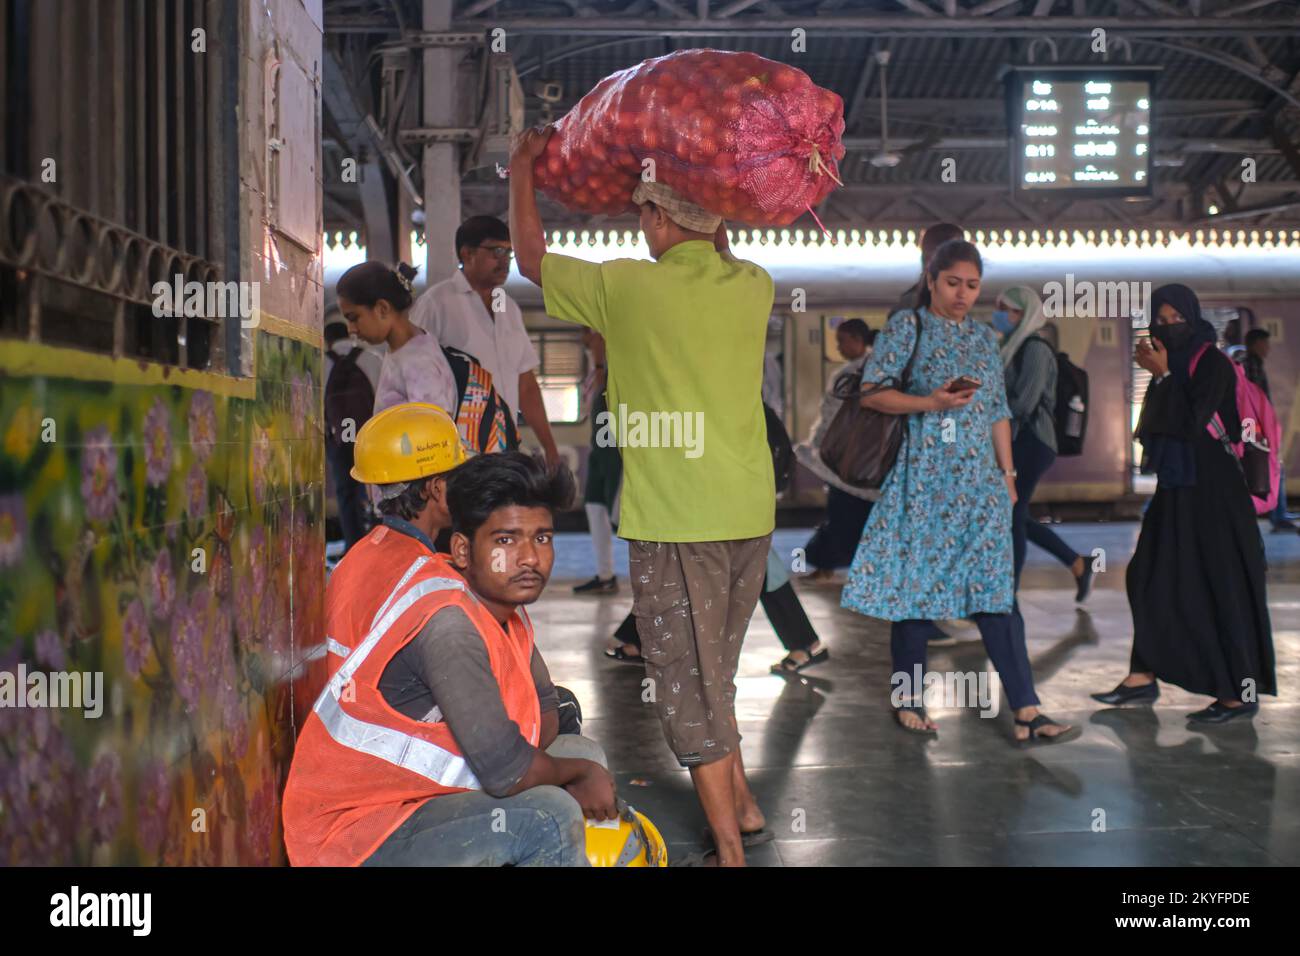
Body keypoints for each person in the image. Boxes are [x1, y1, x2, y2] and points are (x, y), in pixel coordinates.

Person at [510, 125, 775, 867]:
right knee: (714, 666)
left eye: (644, 213)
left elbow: (530, 260)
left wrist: (523, 169)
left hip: (675, 520)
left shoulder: (624, 285)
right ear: (719, 226)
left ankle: (728, 846)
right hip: (750, 515)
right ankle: (745, 805)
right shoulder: (754, 285)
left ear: (658, 220)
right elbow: (719, 247)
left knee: (685, 683)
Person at [282, 446, 618, 866]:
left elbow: (543, 707)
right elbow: (506, 770)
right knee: (548, 816)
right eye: (506, 540)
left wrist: (572, 767)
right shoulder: (448, 623)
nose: (530, 557)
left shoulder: (502, 601)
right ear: (461, 550)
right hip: (359, 830)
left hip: (418, 795)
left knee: (582, 757)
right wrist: (578, 775)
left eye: (542, 538)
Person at [841, 240, 1079, 745]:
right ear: (932, 280)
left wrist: (1009, 478)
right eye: (953, 283)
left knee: (996, 592)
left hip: (980, 485)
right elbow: (873, 393)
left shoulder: (983, 339)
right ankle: (908, 699)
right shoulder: (909, 326)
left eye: (972, 285)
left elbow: (997, 410)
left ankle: (1027, 709)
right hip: (923, 478)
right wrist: (930, 401)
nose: (963, 294)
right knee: (915, 595)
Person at [1092, 284, 1276, 723]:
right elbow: (1154, 426)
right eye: (1162, 319)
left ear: (1194, 320)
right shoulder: (1172, 364)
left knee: (1221, 586)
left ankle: (1238, 693)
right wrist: (1162, 376)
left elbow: (1192, 423)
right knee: (1147, 575)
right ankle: (1143, 674)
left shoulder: (1211, 363)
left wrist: (1163, 377)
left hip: (1216, 495)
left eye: (1178, 319)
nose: (1169, 326)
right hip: (1179, 489)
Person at [412, 215, 560, 467]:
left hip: (504, 449)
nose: (505, 261)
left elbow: (525, 384)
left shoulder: (509, 308)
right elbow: (414, 379)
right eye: (497, 251)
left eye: (509, 253)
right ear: (467, 254)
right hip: (456, 454)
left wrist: (550, 448)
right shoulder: (436, 303)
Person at [994, 286, 1094, 601]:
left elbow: (1024, 402)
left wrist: (988, 405)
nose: (999, 315)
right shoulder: (1013, 345)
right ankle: (1077, 563)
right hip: (1019, 440)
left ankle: (1007, 596)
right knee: (1016, 514)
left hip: (1033, 440)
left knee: (1012, 514)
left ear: (1023, 315)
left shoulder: (1035, 348)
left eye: (1006, 309)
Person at [794, 318, 877, 583]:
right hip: (874, 463)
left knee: (840, 515)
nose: (839, 348)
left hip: (846, 462)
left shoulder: (848, 375)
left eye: (842, 341)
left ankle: (825, 565)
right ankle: (860, 570)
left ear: (857, 339)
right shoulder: (884, 371)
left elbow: (830, 416)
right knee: (860, 518)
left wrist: (815, 447)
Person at [336, 261, 457, 417]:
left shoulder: (419, 361)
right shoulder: (403, 351)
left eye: (354, 318)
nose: (351, 329)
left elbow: (433, 435)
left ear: (382, 309)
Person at [324, 319, 383, 551]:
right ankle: (380, 542)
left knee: (346, 493)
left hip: (339, 441)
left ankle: (354, 547)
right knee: (378, 491)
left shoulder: (323, 362)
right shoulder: (372, 358)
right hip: (371, 438)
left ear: (328, 340)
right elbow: (382, 401)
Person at [574, 329, 622, 594]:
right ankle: (606, 575)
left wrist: (600, 357)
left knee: (617, 512)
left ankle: (652, 569)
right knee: (594, 506)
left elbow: (607, 391)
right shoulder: (595, 367)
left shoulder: (610, 367)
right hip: (599, 445)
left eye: (588, 333)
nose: (584, 338)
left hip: (613, 446)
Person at [1243, 328, 1295, 531]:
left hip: (1254, 426)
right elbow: (1255, 399)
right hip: (1256, 427)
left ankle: (1277, 512)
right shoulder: (1252, 365)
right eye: (1265, 344)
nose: (1268, 348)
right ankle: (1277, 514)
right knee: (1270, 469)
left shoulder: (1251, 364)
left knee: (1268, 469)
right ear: (1256, 344)